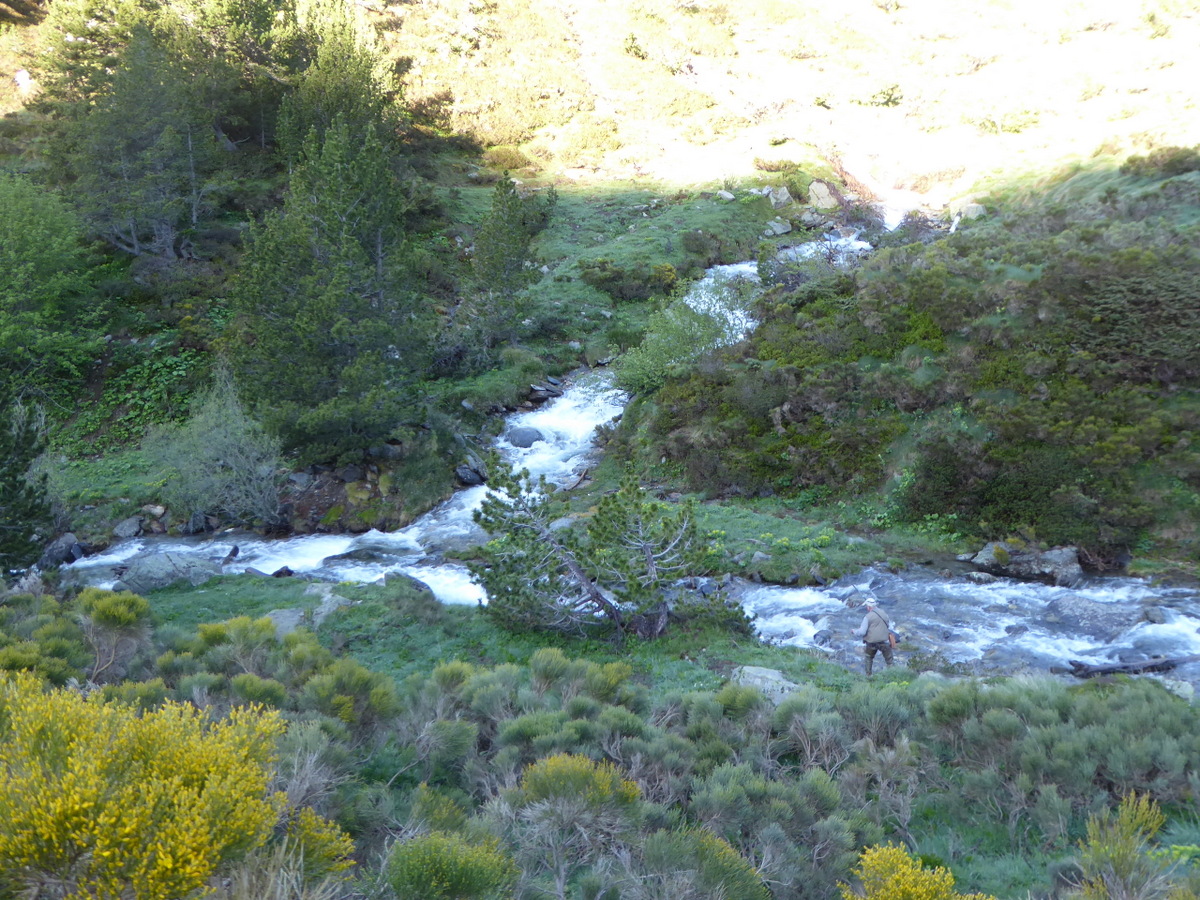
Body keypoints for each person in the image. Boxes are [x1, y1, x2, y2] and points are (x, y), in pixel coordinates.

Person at [853, 597, 893, 676]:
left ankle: (868, 676)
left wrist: (854, 632)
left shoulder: (867, 617)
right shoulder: (884, 613)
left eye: (866, 607)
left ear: (868, 607)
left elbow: (862, 632)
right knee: (889, 660)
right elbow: (888, 625)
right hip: (884, 641)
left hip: (871, 642)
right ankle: (892, 675)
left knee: (869, 658)